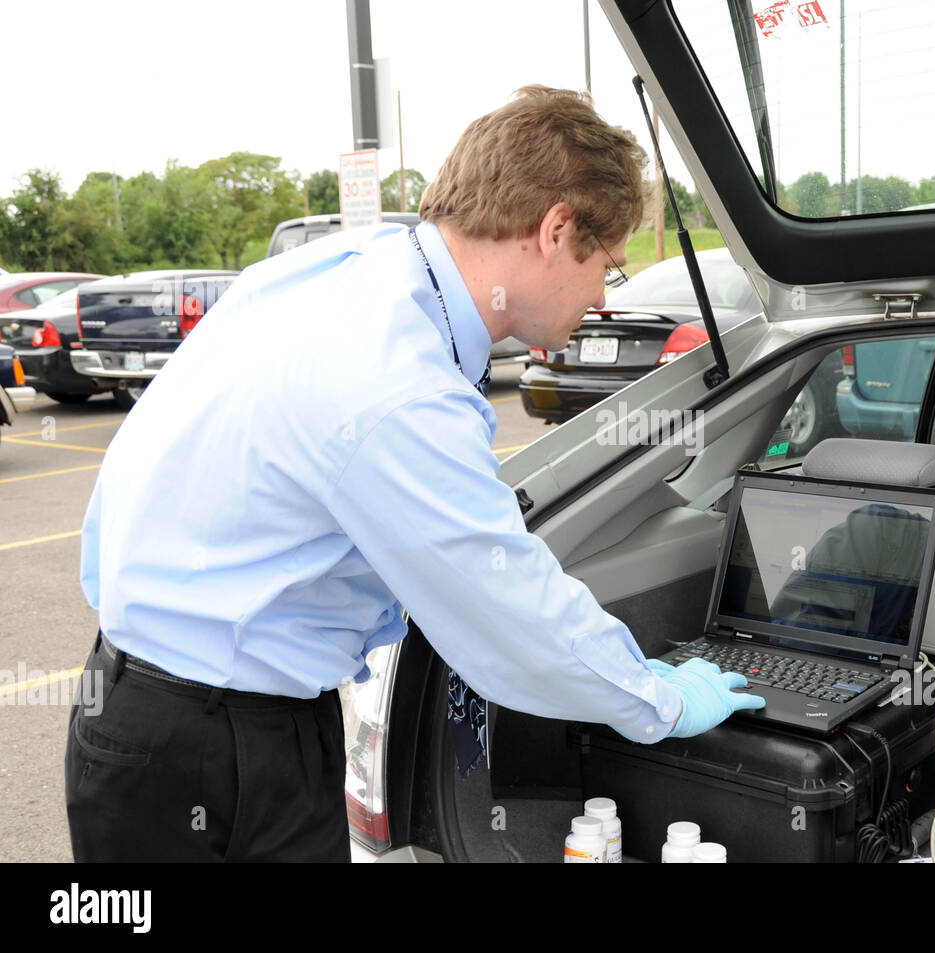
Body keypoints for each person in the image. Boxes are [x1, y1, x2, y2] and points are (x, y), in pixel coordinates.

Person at [66, 86, 763, 862]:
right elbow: (507, 607)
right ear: (556, 229)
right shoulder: (399, 381)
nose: (602, 298)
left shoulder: (337, 273)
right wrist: (658, 699)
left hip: (144, 708)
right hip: (215, 752)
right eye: (608, 266)